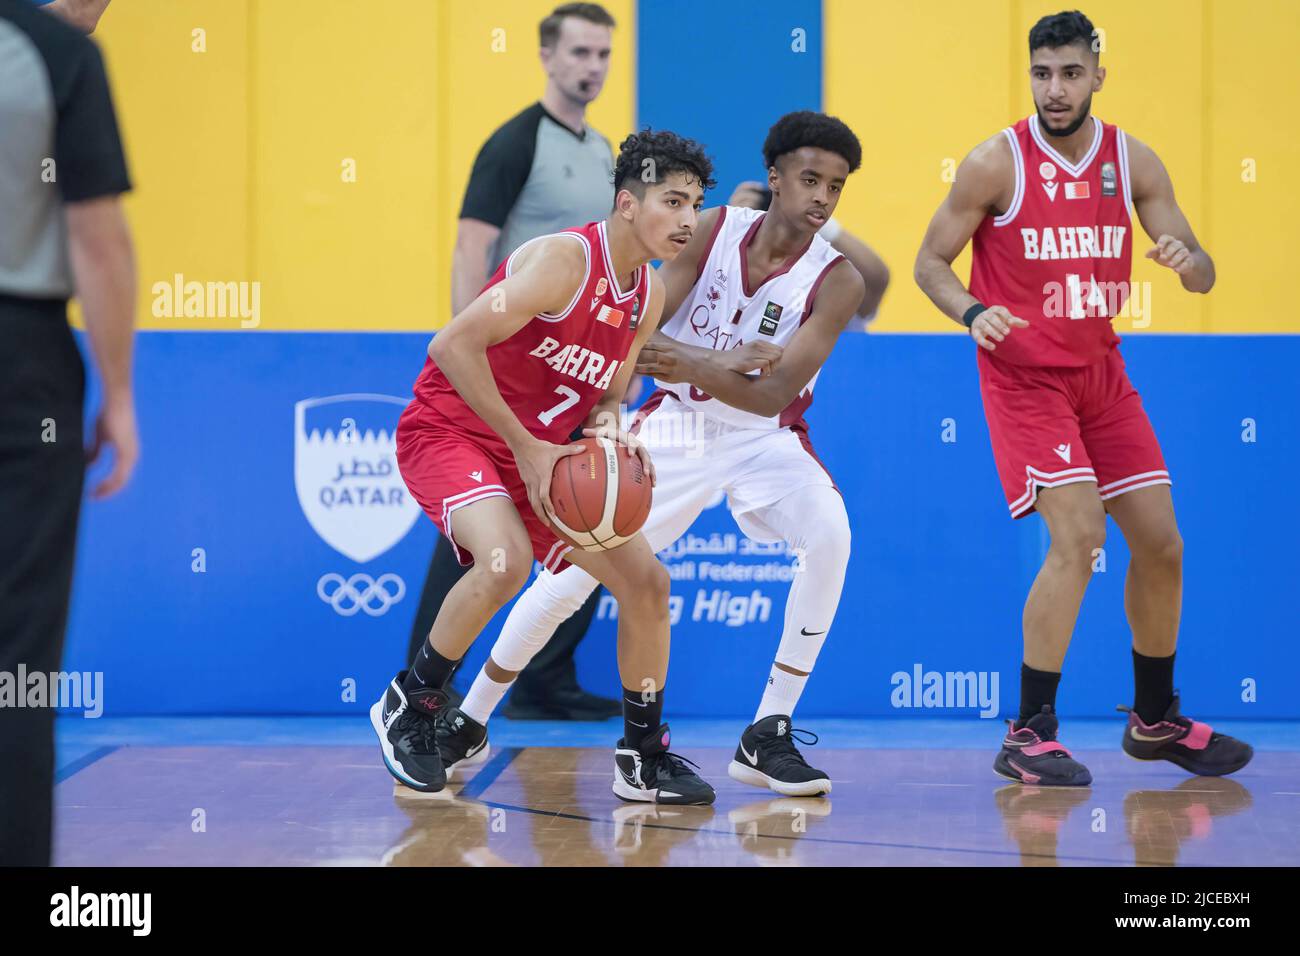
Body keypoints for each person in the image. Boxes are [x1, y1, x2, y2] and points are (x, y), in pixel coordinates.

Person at [438, 111, 873, 798]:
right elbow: (630, 342)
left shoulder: (837, 279)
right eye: (810, 179)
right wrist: (717, 362)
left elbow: (771, 396)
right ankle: (469, 717)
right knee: (571, 577)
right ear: (775, 178)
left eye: (836, 187)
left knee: (832, 537)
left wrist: (682, 358)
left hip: (766, 441)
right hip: (677, 426)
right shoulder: (711, 228)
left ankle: (769, 731)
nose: (821, 197)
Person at [913, 10, 1252, 785]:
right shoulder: (994, 164)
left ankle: (1156, 719)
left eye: (1070, 73)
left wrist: (1183, 258)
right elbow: (930, 263)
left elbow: (1203, 272)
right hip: (1024, 378)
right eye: (1041, 73)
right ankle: (1028, 732)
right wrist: (971, 310)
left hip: (1101, 374)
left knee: (1163, 542)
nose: (1054, 89)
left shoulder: (1135, 161)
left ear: (1099, 73)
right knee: (1079, 534)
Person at [373, 129, 723, 806]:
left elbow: (610, 393)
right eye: (672, 201)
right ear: (627, 203)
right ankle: (412, 706)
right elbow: (452, 345)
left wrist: (610, 435)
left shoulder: (645, 295)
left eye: (695, 205)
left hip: (543, 457)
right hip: (454, 432)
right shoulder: (563, 262)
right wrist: (526, 445)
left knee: (647, 583)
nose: (687, 219)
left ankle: (644, 754)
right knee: (501, 562)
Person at [406, 1, 623, 720]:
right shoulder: (515, 144)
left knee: (586, 509)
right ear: (546, 56)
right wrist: (469, 350)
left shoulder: (604, 153)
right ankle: (424, 688)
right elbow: (473, 246)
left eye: (602, 54)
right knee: (475, 538)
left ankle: (546, 680)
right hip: (505, 369)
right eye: (580, 53)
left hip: (568, 377)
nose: (592, 66)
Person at [0, 0, 137, 864]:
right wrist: (118, 393)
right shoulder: (58, 55)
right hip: (22, 361)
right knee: (17, 655)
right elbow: (99, 240)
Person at [727, 180, 889, 327]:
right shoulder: (726, 273)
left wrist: (816, 221)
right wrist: (736, 225)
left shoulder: (825, 285)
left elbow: (876, 281)